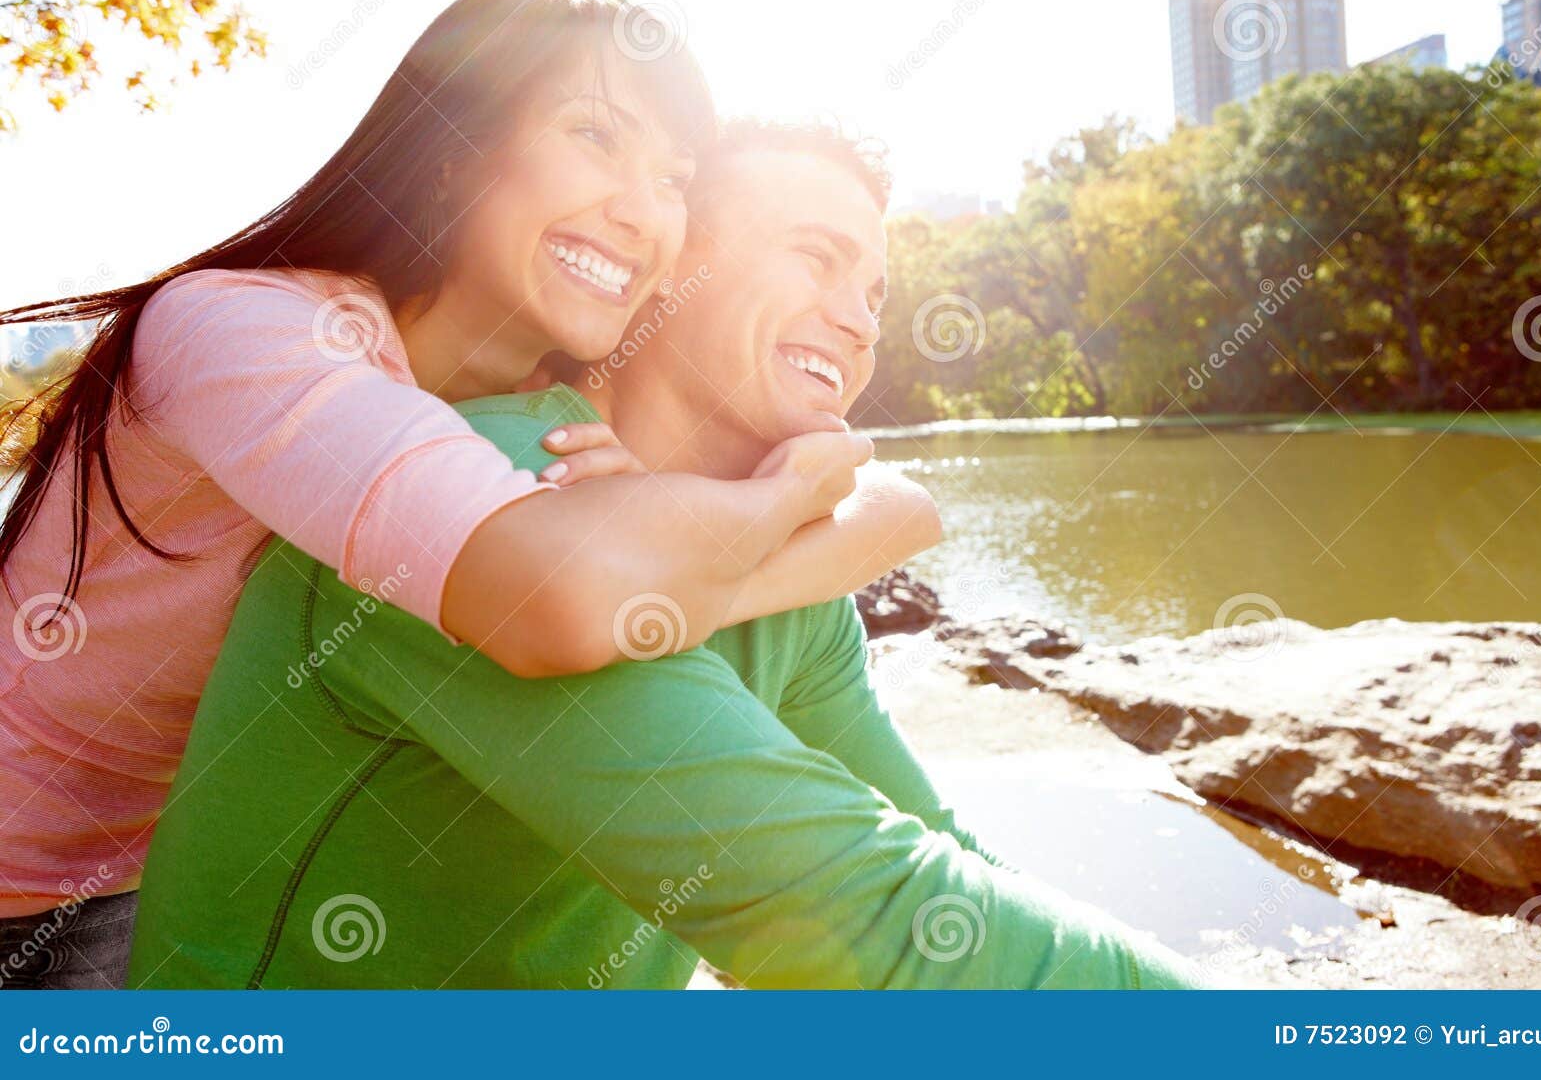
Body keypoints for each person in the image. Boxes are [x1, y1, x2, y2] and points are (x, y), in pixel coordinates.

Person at [0, 0, 930, 987]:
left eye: (671, 178)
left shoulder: (539, 404)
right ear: (451, 155)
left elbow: (899, 513)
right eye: (594, 135)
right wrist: (772, 509)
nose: (636, 210)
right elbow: (551, 601)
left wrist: (773, 501)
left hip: (159, 861)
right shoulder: (248, 331)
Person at [129, 123, 1204, 990]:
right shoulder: (504, 500)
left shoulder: (796, 581)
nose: (857, 321)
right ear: (667, 267)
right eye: (817, 259)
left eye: (875, 292)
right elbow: (871, 913)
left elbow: (933, 854)